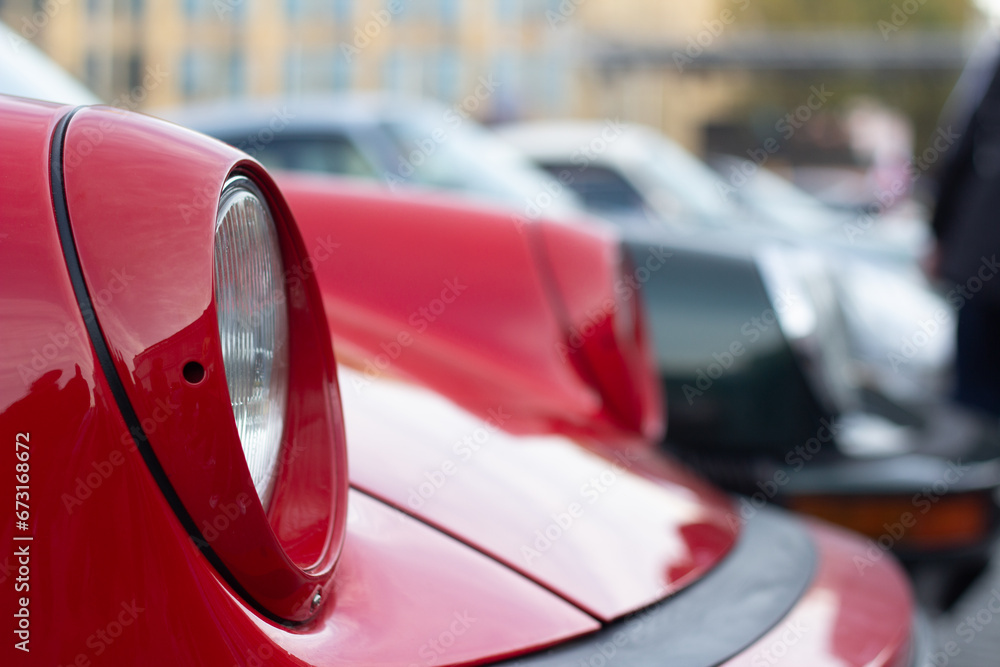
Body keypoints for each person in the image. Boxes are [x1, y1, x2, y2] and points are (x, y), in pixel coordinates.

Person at [931, 36, 1000, 418]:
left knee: (973, 403)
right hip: (981, 259)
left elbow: (959, 150)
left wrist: (939, 235)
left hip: (981, 257)